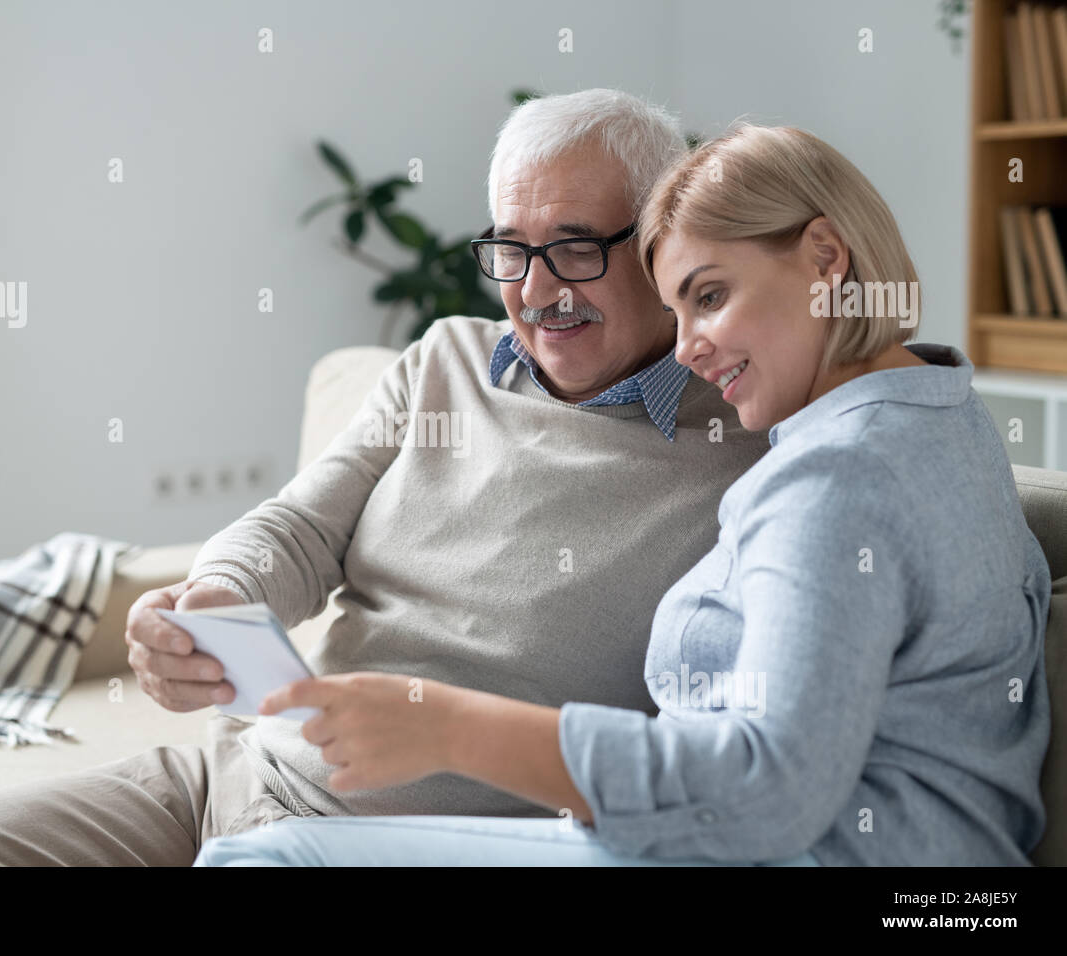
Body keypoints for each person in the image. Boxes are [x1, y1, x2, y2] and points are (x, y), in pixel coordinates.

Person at [0, 90, 773, 866]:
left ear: (659, 243)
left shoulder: (751, 450)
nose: (534, 289)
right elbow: (298, 529)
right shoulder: (443, 359)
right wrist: (216, 600)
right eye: (509, 251)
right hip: (231, 782)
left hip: (401, 845)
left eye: (572, 246)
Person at [198, 124, 1052, 867]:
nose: (687, 351)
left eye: (710, 296)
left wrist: (448, 727)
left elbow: (768, 788)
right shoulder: (946, 409)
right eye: (678, 310)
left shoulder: (833, 478)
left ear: (826, 260)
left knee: (276, 858)